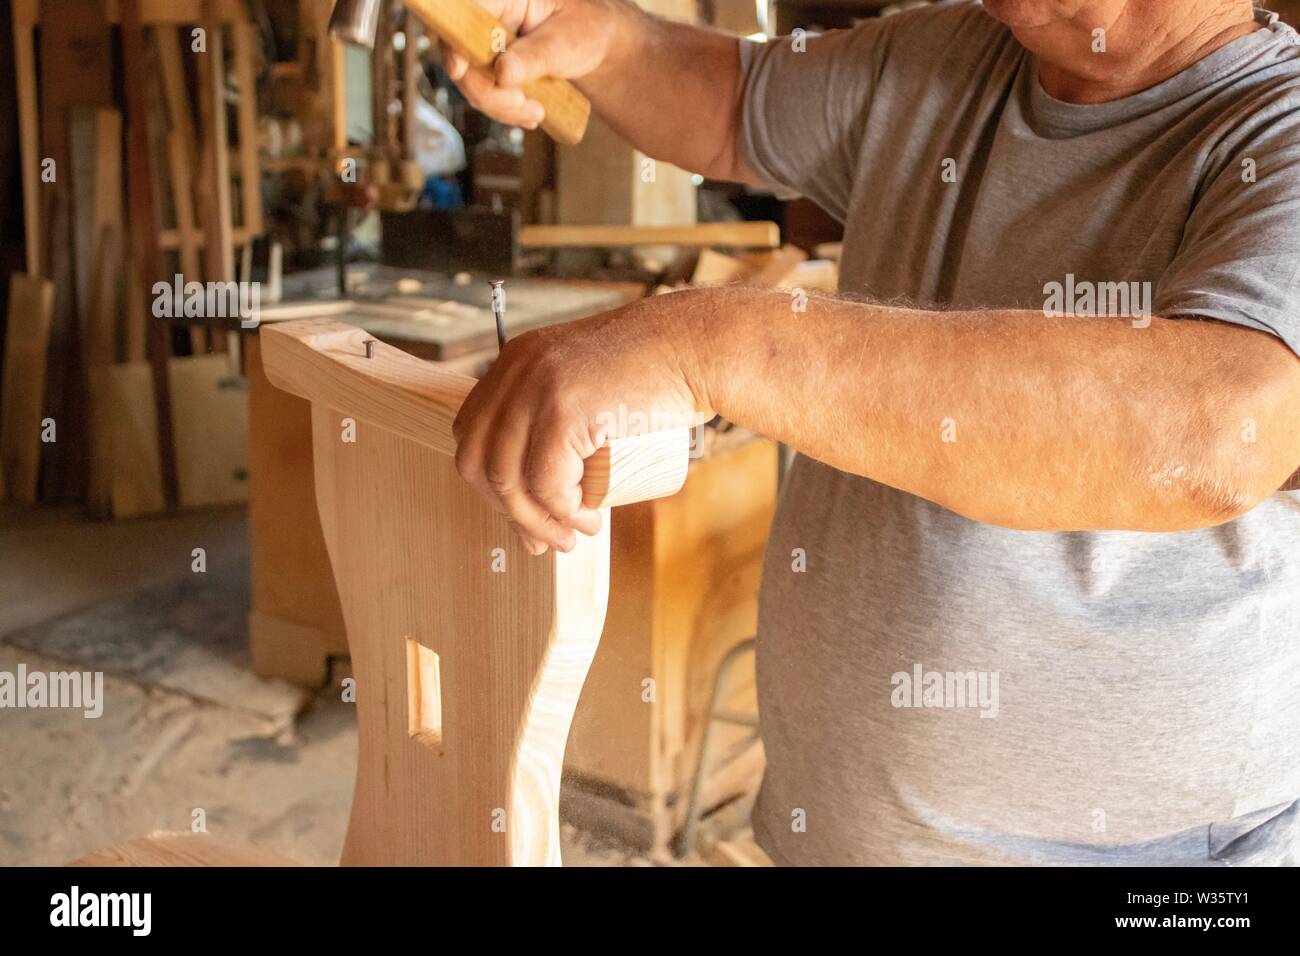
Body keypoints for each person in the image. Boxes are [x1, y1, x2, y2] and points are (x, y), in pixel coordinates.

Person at [446, 0, 1300, 864]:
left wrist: (711, 342)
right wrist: (593, 33)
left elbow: (1220, 431)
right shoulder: (950, 50)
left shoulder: (1279, 126)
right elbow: (733, 103)